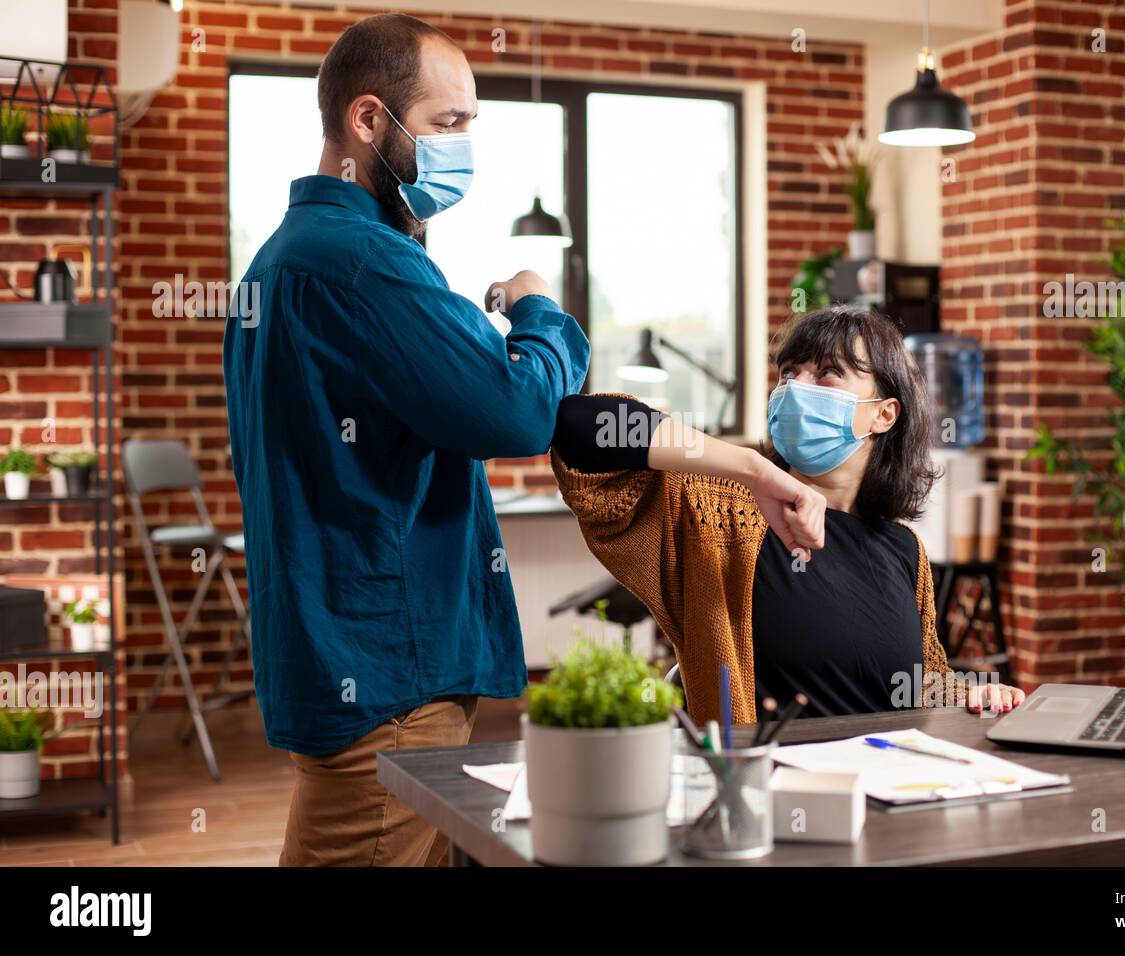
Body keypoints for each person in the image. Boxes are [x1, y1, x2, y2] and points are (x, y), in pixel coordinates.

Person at [222, 14, 589, 866]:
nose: (464, 147)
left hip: (351, 665)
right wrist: (540, 308)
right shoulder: (362, 263)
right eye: (447, 123)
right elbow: (517, 413)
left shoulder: (285, 259)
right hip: (390, 681)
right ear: (367, 121)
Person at [550, 306, 1022, 724]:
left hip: (888, 791)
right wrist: (753, 469)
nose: (796, 386)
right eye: (788, 372)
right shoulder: (716, 512)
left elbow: (918, 685)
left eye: (829, 372)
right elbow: (578, 427)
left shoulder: (903, 549)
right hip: (765, 798)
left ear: (884, 414)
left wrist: (970, 692)